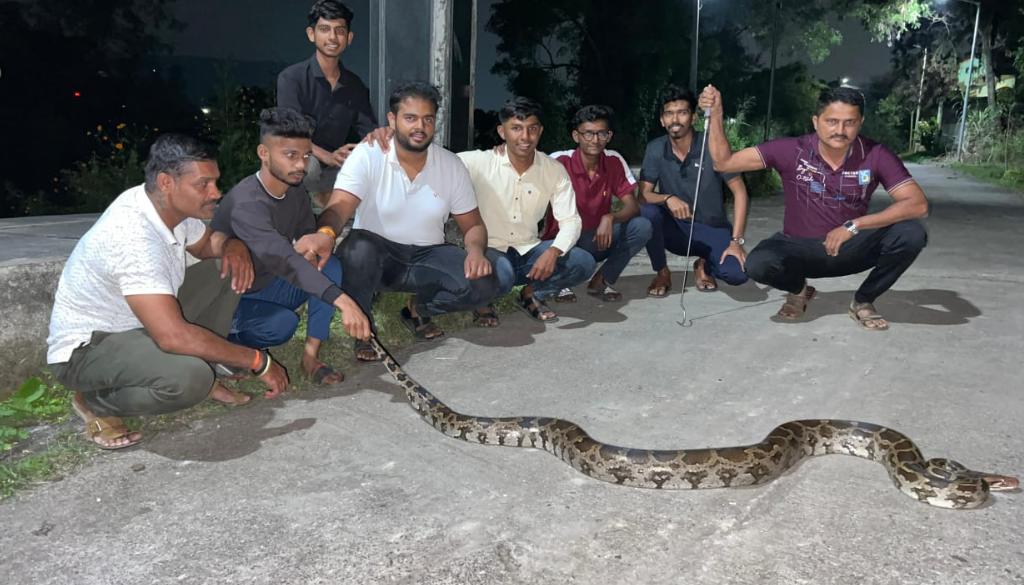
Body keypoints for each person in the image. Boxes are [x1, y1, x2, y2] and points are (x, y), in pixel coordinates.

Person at [46, 134, 289, 450]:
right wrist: (258, 360)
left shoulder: (167, 209)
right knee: (190, 379)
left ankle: (208, 366)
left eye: (215, 182)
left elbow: (206, 245)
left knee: (225, 266)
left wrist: (233, 245)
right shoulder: (134, 236)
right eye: (203, 185)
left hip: (140, 325)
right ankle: (96, 402)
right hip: (88, 347)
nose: (215, 193)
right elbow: (173, 337)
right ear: (166, 183)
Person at [296, 81, 508, 352]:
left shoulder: (450, 164)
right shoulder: (368, 155)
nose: (420, 127)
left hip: (428, 257)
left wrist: (476, 251)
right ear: (392, 120)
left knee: (488, 283)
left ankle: (418, 308)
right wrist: (325, 234)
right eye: (410, 118)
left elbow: (473, 224)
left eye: (427, 119)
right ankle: (365, 332)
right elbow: (339, 207)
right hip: (378, 258)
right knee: (357, 249)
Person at [699, 84, 929, 330]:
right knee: (758, 264)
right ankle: (798, 291)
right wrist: (716, 114)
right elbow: (724, 163)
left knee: (912, 233)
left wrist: (854, 225)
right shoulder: (791, 149)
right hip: (798, 249)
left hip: (852, 247)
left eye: (849, 122)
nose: (840, 130)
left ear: (860, 122)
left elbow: (917, 204)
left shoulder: (876, 154)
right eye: (832, 121)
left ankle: (863, 301)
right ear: (816, 121)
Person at [211, 107, 370, 385]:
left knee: (328, 265)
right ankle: (222, 347)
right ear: (264, 153)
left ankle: (310, 357)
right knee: (280, 325)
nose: (301, 165)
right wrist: (346, 303)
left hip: (272, 283)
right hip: (235, 300)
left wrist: (316, 241)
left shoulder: (294, 191)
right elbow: (284, 258)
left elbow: (306, 239)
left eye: (306, 155)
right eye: (291, 155)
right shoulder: (247, 203)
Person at [458, 97, 595, 323]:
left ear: (540, 131)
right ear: (502, 132)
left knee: (583, 262)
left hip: (528, 250)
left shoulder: (553, 170)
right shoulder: (479, 162)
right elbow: (434, 159)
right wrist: (387, 136)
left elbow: (571, 220)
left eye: (532, 129)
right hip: (490, 249)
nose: (525, 137)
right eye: (516, 129)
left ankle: (532, 293)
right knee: (502, 278)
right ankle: (483, 300)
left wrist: (554, 251)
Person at [639, 85, 750, 297]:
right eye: (669, 114)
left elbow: (741, 193)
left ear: (693, 118)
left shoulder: (713, 145)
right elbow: (643, 195)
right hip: (678, 231)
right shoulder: (655, 148)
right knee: (646, 213)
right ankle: (662, 271)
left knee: (737, 275)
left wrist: (736, 242)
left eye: (682, 112)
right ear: (662, 120)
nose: (675, 119)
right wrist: (668, 198)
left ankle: (704, 264)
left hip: (712, 228)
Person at [543, 105, 652, 303]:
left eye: (601, 133)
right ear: (576, 136)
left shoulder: (613, 160)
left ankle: (601, 280)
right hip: (562, 243)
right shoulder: (558, 161)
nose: (595, 140)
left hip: (595, 238)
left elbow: (633, 206)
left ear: (609, 136)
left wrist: (611, 217)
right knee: (570, 252)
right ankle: (560, 282)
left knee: (642, 226)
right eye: (588, 134)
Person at [277, 0, 378, 209]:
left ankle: (331, 203)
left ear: (349, 38)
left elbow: (369, 131)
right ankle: (304, 205)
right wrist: (328, 156)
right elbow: (290, 134)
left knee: (371, 164)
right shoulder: (292, 78)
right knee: (307, 163)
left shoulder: (355, 85)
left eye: (339, 30)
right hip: (302, 163)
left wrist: (365, 149)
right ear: (311, 34)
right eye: (325, 29)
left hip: (333, 170)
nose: (332, 37)